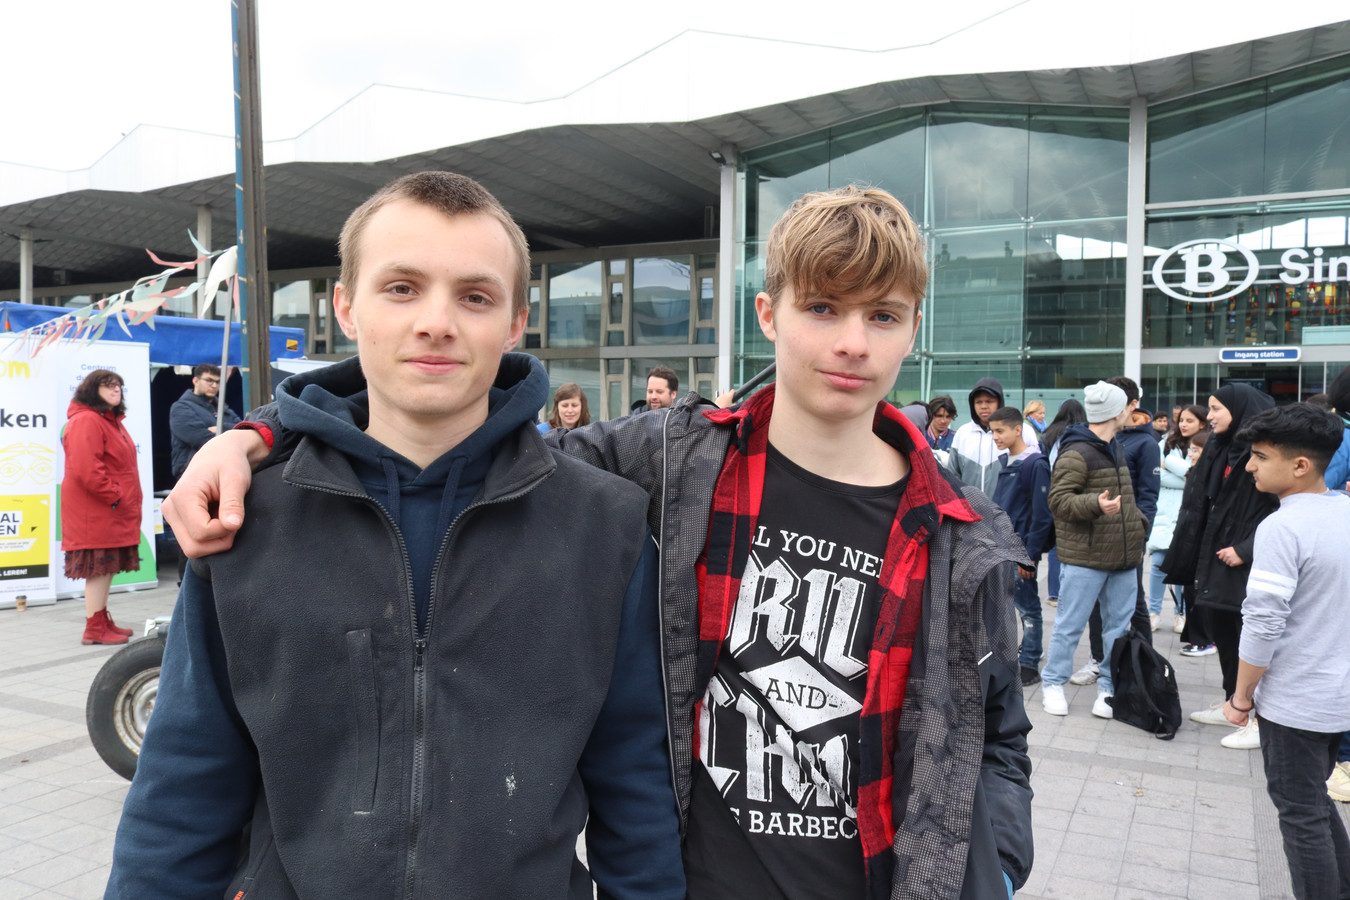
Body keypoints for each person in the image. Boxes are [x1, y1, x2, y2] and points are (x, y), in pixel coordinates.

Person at [164, 184, 1036, 899]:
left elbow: (998, 734)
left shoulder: (959, 533)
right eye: (822, 308)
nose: (851, 342)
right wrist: (257, 433)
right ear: (769, 315)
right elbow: (450, 437)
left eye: (883, 316)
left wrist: (995, 865)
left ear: (914, 328)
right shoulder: (673, 461)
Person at [107, 173, 684, 899]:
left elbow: (636, 786)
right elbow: (184, 788)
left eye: (475, 296)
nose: (436, 322)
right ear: (347, 306)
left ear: (515, 322)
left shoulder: (604, 527)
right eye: (402, 288)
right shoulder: (244, 517)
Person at [1223, 402, 1350, 900]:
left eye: (1260, 456)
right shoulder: (1343, 511)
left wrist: (1241, 696)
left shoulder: (1282, 527)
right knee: (1312, 802)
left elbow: (1262, 623)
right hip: (1336, 695)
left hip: (1296, 699)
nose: (1249, 466)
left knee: (1300, 814)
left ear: (1300, 464)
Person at [1163, 383, 1278, 751]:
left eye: (1216, 409)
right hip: (1214, 555)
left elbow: (1281, 510)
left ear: (1240, 410)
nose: (1208, 416)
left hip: (1246, 562)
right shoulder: (1219, 447)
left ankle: (1260, 717)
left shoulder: (1265, 452)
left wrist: (1246, 549)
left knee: (1249, 639)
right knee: (1223, 631)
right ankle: (1234, 703)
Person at [1040, 381, 1148, 719]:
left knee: (1118, 629)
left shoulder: (1114, 446)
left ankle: (1108, 689)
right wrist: (1095, 504)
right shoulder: (1077, 451)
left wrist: (1137, 530)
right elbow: (1058, 501)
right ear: (1116, 412)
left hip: (1123, 558)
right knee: (1069, 625)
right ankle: (1053, 683)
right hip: (1085, 558)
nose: (1132, 410)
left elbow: (1128, 500)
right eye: (1127, 406)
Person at [62, 369, 141, 647]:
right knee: (98, 569)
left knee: (106, 567)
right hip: (97, 511)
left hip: (108, 510)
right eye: (108, 385)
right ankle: (94, 627)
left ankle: (100, 619)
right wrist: (115, 496)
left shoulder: (109, 421)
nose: (116, 389)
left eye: (118, 385)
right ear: (92, 390)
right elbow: (87, 469)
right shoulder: (87, 420)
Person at [989, 407, 1053, 687]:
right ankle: (1012, 655)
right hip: (1000, 549)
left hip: (1020, 551)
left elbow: (1042, 515)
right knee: (1005, 607)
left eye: (1000, 430)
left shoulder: (1034, 464)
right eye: (992, 431)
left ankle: (1029, 662)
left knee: (1028, 609)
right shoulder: (1007, 461)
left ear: (1018, 429)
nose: (995, 436)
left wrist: (1029, 556)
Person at [1146, 405, 1206, 635]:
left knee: (1184, 564)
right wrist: (1187, 475)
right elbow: (1157, 476)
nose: (1183, 424)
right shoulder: (1166, 443)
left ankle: (1180, 613)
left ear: (1202, 423)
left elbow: (1200, 477)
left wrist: (1170, 464)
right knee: (1158, 561)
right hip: (1165, 510)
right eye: (1182, 420)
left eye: (1190, 421)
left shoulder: (1208, 444)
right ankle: (1154, 612)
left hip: (1189, 510)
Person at [1039, 398, 1087, 610]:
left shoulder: (1049, 434)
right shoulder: (1084, 435)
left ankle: (1054, 592)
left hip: (1051, 492)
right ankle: (1073, 591)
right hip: (1075, 493)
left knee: (1055, 543)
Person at [168, 363, 241, 480]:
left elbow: (242, 430)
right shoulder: (180, 408)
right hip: (192, 474)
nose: (214, 385)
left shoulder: (223, 408)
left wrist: (220, 429)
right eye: (209, 380)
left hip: (224, 472)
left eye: (218, 382)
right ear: (195, 381)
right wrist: (229, 434)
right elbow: (200, 438)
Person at [948, 376, 1007, 494]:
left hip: (1004, 505)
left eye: (989, 401)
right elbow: (952, 476)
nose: (983, 406)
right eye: (979, 402)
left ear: (999, 402)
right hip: (968, 505)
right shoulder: (962, 433)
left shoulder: (1017, 432)